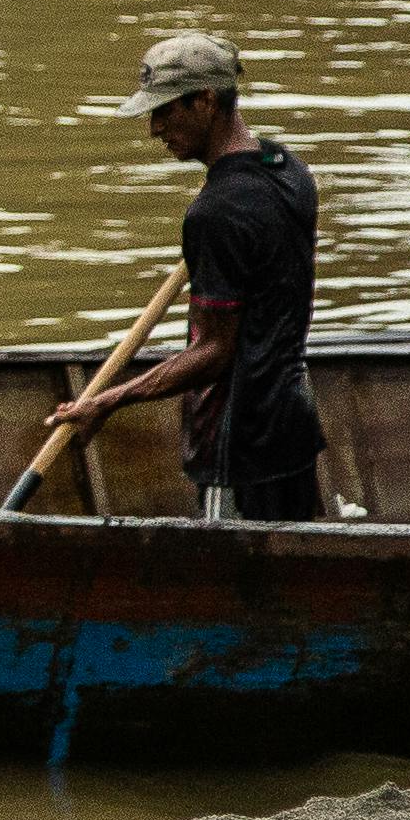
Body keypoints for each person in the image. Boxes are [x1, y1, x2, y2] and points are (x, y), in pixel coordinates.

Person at [42, 29, 322, 519]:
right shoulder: (289, 172)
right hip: (293, 427)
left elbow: (214, 353)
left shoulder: (216, 213)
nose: (154, 128)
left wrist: (106, 401)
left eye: (165, 110)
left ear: (206, 102)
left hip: (239, 445)